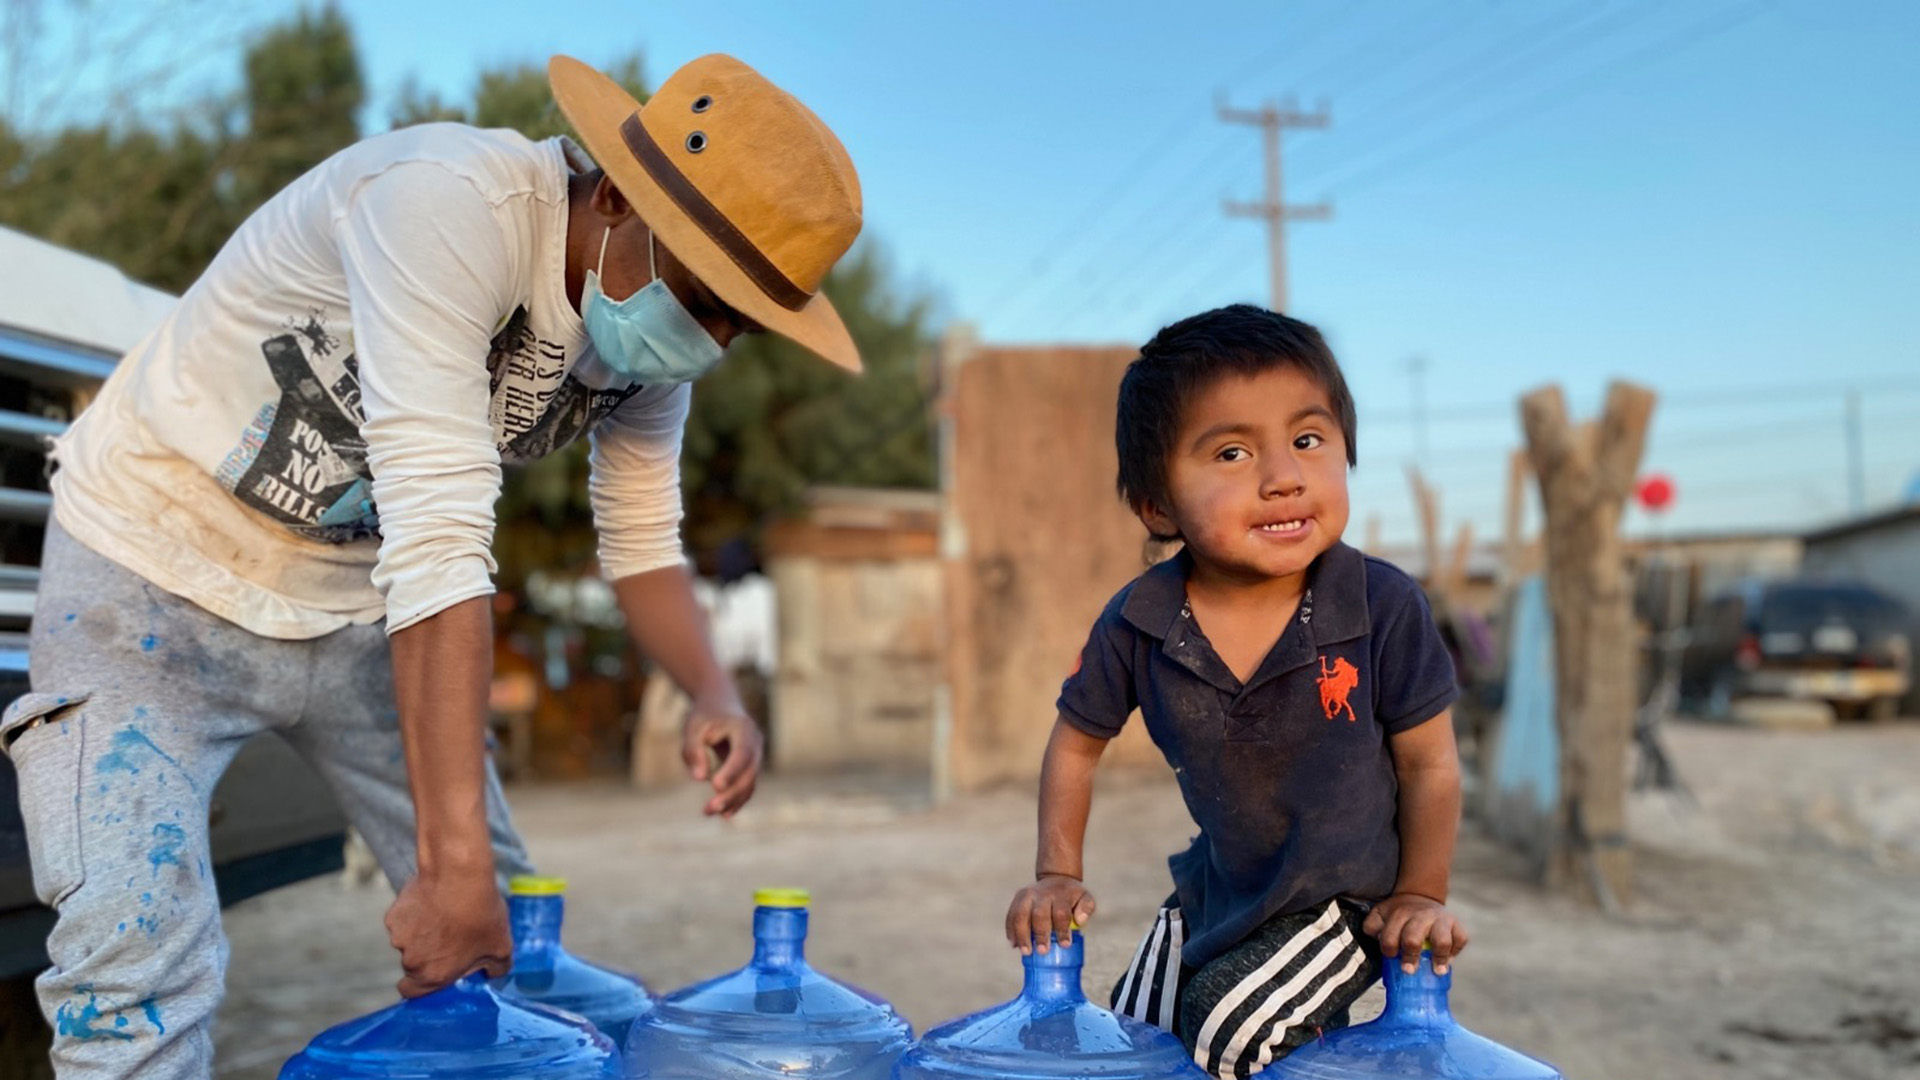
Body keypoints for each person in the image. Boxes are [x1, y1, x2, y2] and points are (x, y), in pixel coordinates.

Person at [1, 52, 864, 1079]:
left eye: (739, 324)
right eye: (703, 296)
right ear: (618, 197)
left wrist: (712, 690)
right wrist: (449, 870)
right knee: (136, 971)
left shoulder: (641, 349)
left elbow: (639, 541)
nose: (708, 341)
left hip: (357, 612)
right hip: (151, 579)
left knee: (507, 947)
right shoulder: (447, 204)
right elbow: (441, 535)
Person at [1002, 306, 1469, 1079]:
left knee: (1226, 1026)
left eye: (1308, 440)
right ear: (1157, 505)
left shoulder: (1381, 607)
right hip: (1219, 890)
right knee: (1134, 1035)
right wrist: (1058, 873)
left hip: (1346, 903)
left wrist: (1421, 893)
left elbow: (1430, 764)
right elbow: (1076, 745)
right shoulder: (1141, 621)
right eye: (1232, 452)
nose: (1283, 476)